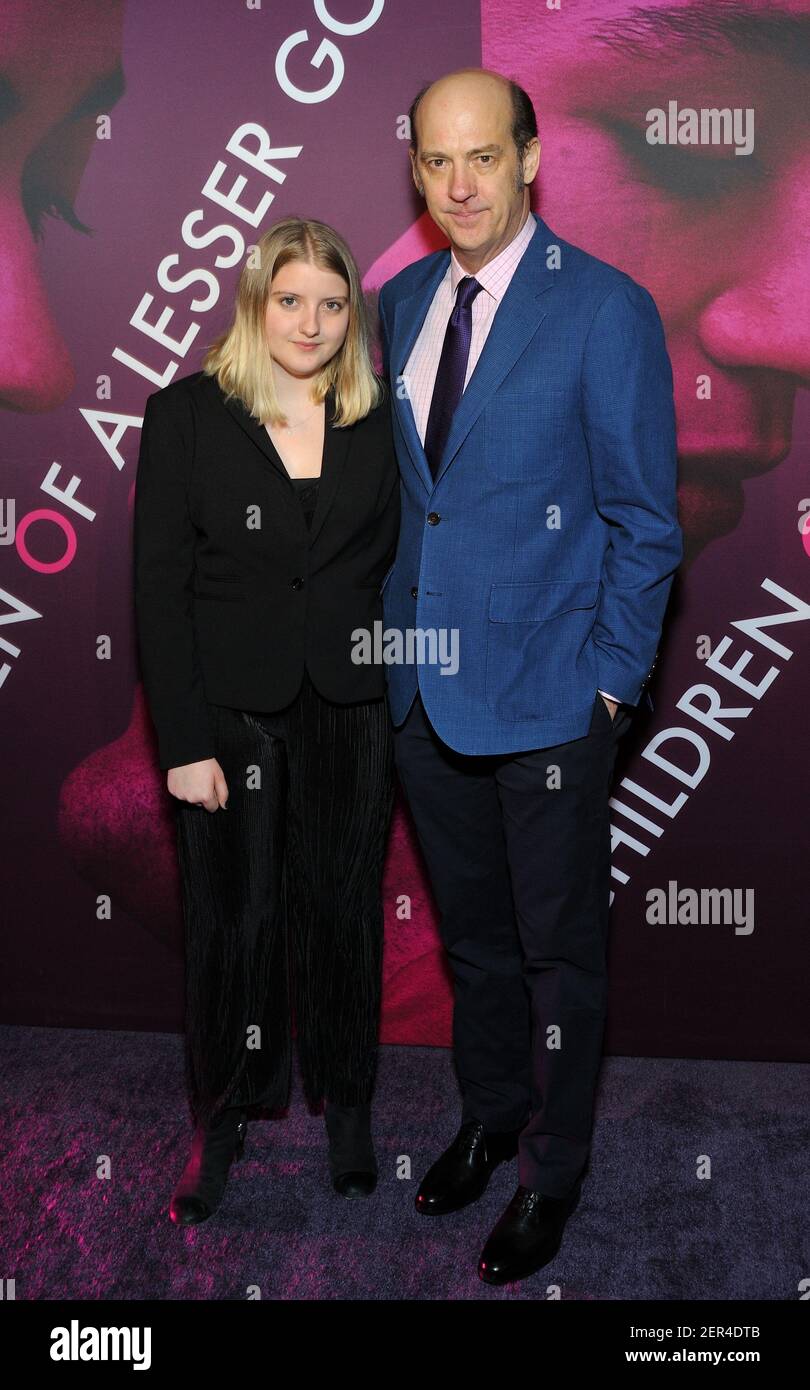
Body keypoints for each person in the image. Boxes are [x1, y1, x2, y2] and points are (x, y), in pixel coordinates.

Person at [377, 68, 682, 1284]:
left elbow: (643, 521)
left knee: (560, 953)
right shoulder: (395, 303)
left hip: (556, 695)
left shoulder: (605, 308)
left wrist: (611, 688)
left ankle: (553, 1168)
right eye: (437, 162)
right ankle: (491, 1112)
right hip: (422, 689)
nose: (459, 184)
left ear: (532, 157)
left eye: (484, 159)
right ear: (417, 169)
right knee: (475, 947)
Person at [133, 216, 400, 1223]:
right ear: (257, 302)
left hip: (351, 706)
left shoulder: (379, 419)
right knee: (231, 920)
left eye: (332, 304)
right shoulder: (188, 414)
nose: (312, 320)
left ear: (351, 317)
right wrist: (186, 741)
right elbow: (159, 590)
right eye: (291, 299)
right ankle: (224, 1111)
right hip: (231, 713)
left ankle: (348, 1105)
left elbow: (402, 567)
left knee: (341, 913)